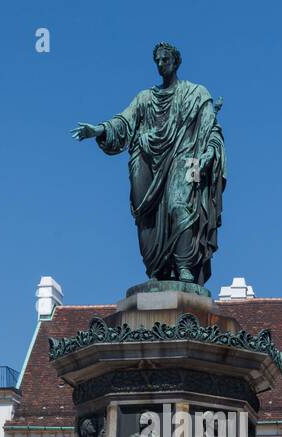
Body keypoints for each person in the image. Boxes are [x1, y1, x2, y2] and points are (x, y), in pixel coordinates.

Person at [71, 42, 225, 286]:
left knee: (179, 204)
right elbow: (124, 121)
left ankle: (185, 266)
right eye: (158, 61)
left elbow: (212, 130)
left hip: (188, 160)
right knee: (147, 218)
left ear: (176, 62)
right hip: (148, 162)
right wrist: (99, 129)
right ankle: (158, 267)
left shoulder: (197, 94)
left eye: (165, 60)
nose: (161, 65)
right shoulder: (145, 98)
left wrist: (208, 155)